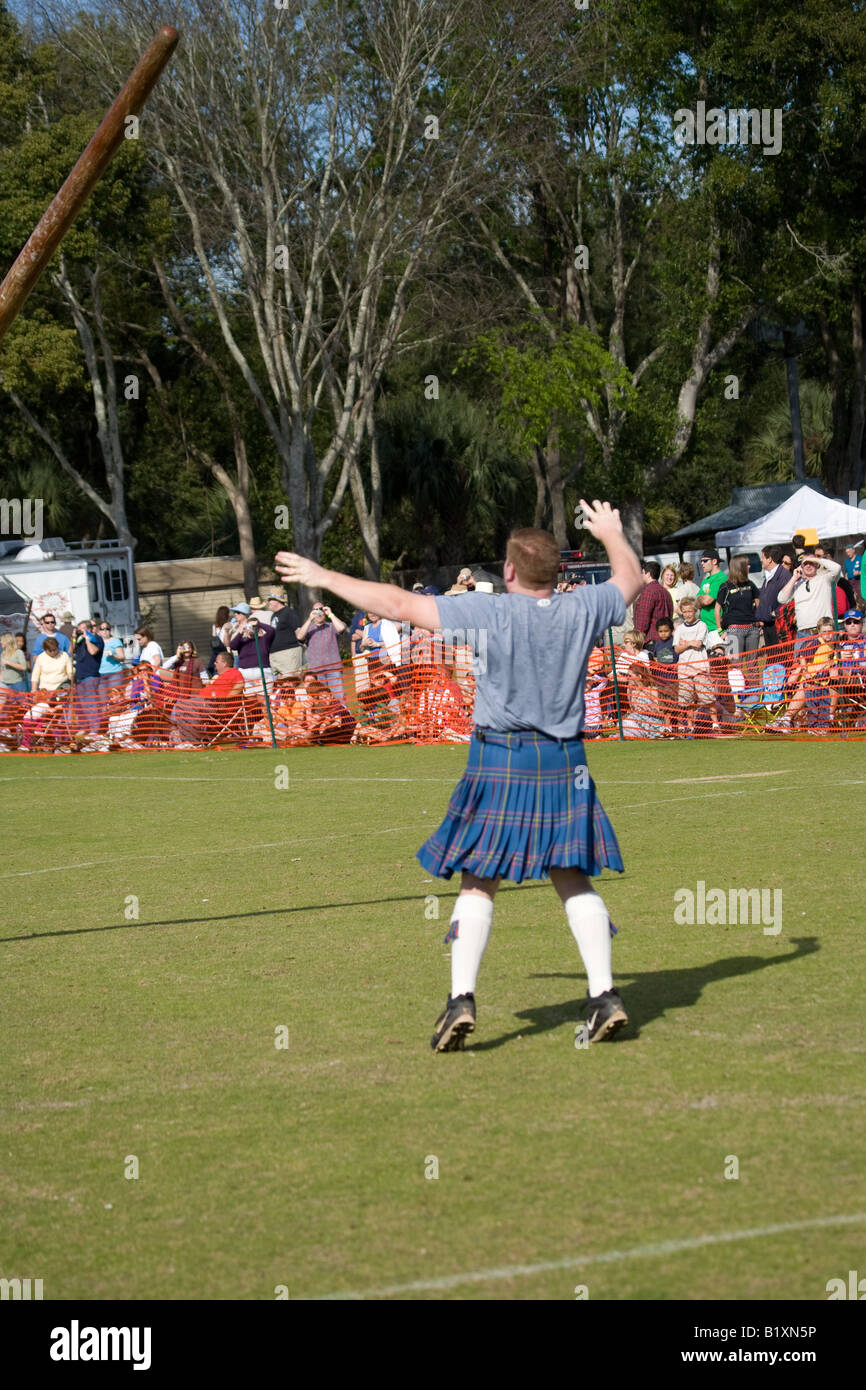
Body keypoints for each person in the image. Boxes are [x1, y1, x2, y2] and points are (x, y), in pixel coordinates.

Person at [276, 499, 643, 1051]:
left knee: (478, 878)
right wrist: (611, 531)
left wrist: (323, 576)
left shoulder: (489, 613)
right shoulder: (583, 607)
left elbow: (397, 603)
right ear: (556, 571)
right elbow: (631, 578)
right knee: (572, 875)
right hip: (564, 760)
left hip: (500, 756)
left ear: (510, 570)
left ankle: (462, 1000)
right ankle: (604, 996)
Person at [171, 650, 245, 744]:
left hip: (215, 705)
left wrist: (225, 699)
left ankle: (191, 740)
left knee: (183, 705)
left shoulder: (234, 672)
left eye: (217, 662)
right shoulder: (220, 677)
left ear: (224, 664)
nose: (214, 663)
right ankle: (184, 738)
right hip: (206, 702)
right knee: (181, 706)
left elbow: (240, 684)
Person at [776, 550, 842, 650]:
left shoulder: (825, 579)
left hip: (823, 633)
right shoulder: (797, 585)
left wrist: (815, 559)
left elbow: (837, 568)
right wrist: (794, 577)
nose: (808, 566)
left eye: (811, 563)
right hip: (803, 634)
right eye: (805, 564)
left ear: (816, 565)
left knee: (826, 660)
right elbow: (781, 598)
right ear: (801, 567)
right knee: (801, 660)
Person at [674, 596, 714, 735]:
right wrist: (690, 643)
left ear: (695, 611)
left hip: (700, 668)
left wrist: (686, 643)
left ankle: (715, 724)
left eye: (690, 611)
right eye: (684, 612)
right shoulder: (679, 629)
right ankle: (690, 726)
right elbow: (677, 649)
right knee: (686, 701)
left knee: (708, 698)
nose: (687, 614)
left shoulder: (701, 625)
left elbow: (698, 644)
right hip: (684, 669)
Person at [297, 601, 347, 700]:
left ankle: (341, 711)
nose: (319, 612)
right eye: (316, 610)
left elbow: (341, 628)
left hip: (333, 668)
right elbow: (299, 636)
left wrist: (330, 614)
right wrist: (310, 619)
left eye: (321, 609)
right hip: (316, 671)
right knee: (319, 699)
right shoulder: (308, 629)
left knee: (338, 697)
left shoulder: (331, 626)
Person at [715, 555, 760, 658]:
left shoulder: (750, 584)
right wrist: (720, 630)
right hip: (734, 630)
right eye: (747, 564)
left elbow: (758, 604)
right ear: (740, 567)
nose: (749, 566)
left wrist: (759, 623)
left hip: (752, 629)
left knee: (752, 663)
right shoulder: (725, 586)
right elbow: (717, 609)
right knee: (735, 663)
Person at [829, 610, 866, 726]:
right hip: (840, 680)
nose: (852, 625)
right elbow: (829, 663)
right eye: (849, 622)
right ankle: (827, 717)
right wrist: (838, 657)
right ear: (845, 625)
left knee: (835, 673)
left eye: (856, 622)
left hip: (861, 678)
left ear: (862, 624)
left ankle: (829, 717)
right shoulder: (839, 644)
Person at [229, 603, 275, 687]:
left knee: (263, 695)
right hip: (245, 673)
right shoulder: (243, 640)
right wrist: (241, 632)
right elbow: (232, 646)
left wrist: (258, 623)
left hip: (262, 672)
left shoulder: (264, 639)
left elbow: (271, 631)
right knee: (249, 695)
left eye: (254, 627)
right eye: (250, 627)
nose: (251, 629)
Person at [71, 619, 104, 733]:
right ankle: (85, 728)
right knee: (82, 706)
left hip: (91, 676)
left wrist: (87, 638)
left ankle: (95, 730)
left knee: (91, 704)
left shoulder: (97, 639)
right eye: (79, 629)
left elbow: (93, 652)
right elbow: (71, 651)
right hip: (79, 677)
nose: (81, 631)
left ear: (90, 629)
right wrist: (74, 638)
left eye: (83, 629)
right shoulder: (79, 641)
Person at [755, 545, 790, 649]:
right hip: (767, 625)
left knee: (780, 655)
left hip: (778, 624)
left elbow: (788, 600)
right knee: (771, 655)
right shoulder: (769, 575)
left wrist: (776, 613)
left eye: (762, 557)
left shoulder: (784, 576)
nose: (761, 560)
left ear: (769, 559)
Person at [266, 589, 305, 677]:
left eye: (270, 600)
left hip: (288, 653)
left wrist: (302, 645)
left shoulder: (289, 612)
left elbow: (299, 633)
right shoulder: (274, 615)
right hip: (275, 655)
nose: (269, 603)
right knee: (281, 683)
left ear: (277, 600)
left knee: (291, 680)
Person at [633, 561, 673, 641]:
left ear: (648, 574)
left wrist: (636, 638)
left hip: (651, 640)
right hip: (666, 639)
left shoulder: (648, 592)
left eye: (642, 573)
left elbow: (642, 622)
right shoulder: (666, 592)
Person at [696, 549, 727, 647]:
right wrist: (701, 598)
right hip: (706, 629)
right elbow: (697, 604)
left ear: (714, 561)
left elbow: (707, 601)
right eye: (701, 561)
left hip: (718, 628)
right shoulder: (705, 580)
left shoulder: (721, 578)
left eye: (705, 560)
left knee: (721, 656)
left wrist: (701, 597)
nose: (702, 563)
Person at [97, 621, 126, 705]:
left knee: (116, 699)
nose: (105, 631)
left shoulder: (115, 641)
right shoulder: (97, 642)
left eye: (107, 629)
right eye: (102, 629)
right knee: (103, 700)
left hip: (114, 673)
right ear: (99, 631)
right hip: (101, 674)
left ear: (110, 630)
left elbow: (122, 657)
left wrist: (113, 656)